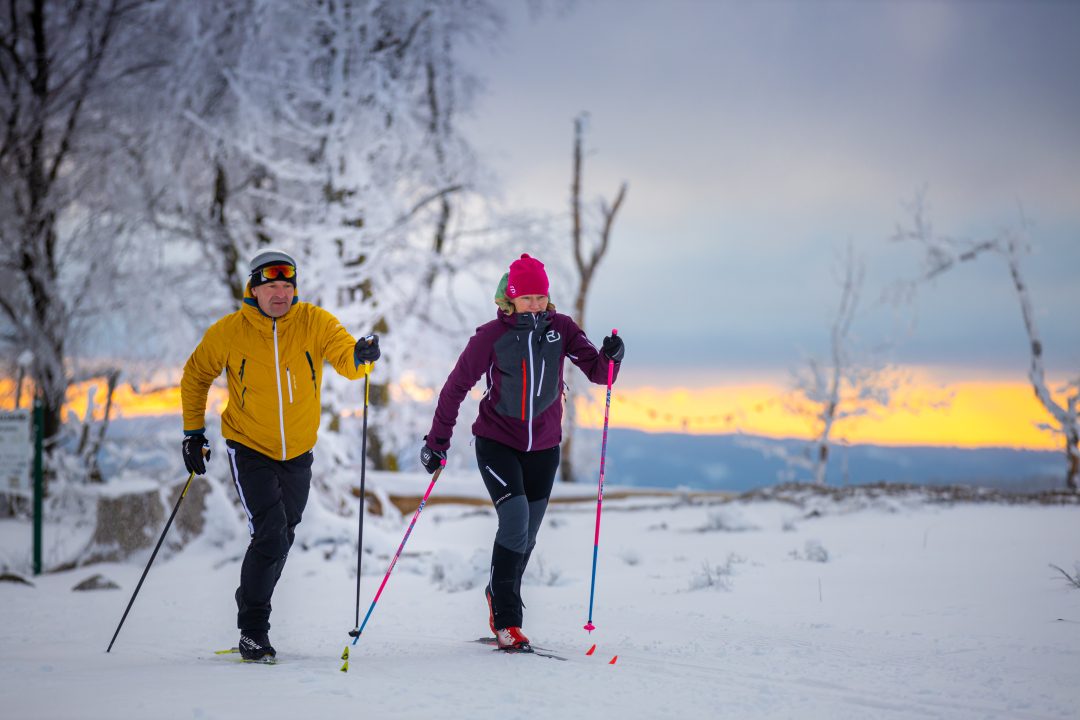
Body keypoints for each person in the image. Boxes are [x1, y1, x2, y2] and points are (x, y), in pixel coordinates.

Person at [180, 248, 381, 662]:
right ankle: (253, 629)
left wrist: (360, 356)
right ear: (253, 289)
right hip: (248, 445)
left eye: (288, 286)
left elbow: (345, 357)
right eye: (272, 286)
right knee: (270, 532)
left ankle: (251, 604)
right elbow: (196, 374)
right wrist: (193, 433)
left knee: (282, 536)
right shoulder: (230, 331)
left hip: (299, 451)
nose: (281, 294)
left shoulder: (312, 322)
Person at [420, 253, 624, 651]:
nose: (535, 304)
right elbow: (455, 387)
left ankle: (499, 593)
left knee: (526, 535)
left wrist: (612, 356)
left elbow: (600, 374)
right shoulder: (491, 336)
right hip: (497, 442)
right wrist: (436, 443)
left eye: (541, 297)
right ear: (510, 299)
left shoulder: (561, 329)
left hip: (544, 448)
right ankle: (507, 619)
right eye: (526, 297)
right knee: (514, 521)